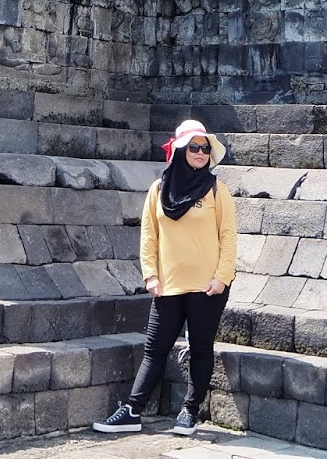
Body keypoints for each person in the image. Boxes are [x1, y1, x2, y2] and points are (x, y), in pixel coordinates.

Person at [94, 119, 236, 437]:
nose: (200, 153)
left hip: (206, 286)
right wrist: (151, 275)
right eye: (194, 147)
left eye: (205, 148)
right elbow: (149, 237)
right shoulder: (158, 190)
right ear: (181, 149)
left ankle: (190, 411)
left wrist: (222, 278)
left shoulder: (217, 190)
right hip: (168, 285)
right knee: (155, 349)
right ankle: (132, 410)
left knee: (200, 349)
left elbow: (228, 237)